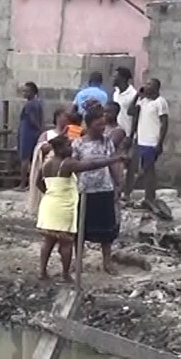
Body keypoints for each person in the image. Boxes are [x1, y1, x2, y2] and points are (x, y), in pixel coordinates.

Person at [35, 133, 119, 281]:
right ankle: (66, 274)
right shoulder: (66, 164)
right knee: (66, 243)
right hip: (63, 207)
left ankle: (42, 272)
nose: (71, 148)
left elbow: (38, 183)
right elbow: (90, 165)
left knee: (48, 241)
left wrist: (51, 192)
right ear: (60, 149)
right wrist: (114, 159)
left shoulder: (46, 164)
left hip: (49, 204)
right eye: (68, 145)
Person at [72, 106, 123, 273]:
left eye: (103, 125)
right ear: (89, 125)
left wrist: (118, 185)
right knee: (80, 229)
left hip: (104, 189)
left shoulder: (107, 141)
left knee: (106, 230)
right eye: (98, 125)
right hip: (84, 191)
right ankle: (78, 261)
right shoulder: (78, 144)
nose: (102, 128)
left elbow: (113, 162)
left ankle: (107, 262)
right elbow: (72, 167)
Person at [127, 77, 170, 212]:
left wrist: (159, 143)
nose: (146, 86)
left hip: (151, 142)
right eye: (146, 83)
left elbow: (164, 124)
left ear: (156, 87)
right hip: (140, 141)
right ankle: (141, 197)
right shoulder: (143, 101)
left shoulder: (160, 102)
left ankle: (150, 198)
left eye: (149, 84)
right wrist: (137, 96)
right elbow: (130, 111)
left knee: (149, 170)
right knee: (138, 169)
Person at [16, 82, 44, 173]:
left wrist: (39, 129)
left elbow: (33, 119)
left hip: (27, 133)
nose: (24, 93)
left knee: (25, 158)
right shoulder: (38, 103)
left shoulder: (30, 104)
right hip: (33, 132)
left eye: (26, 91)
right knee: (33, 158)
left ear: (33, 92)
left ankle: (23, 183)